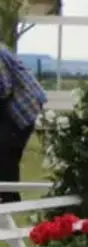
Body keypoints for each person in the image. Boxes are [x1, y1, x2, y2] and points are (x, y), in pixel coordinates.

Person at [0, 43, 47, 203]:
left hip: (22, 109)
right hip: (16, 109)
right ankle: (9, 199)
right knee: (8, 157)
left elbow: (4, 88)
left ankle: (9, 201)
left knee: (5, 155)